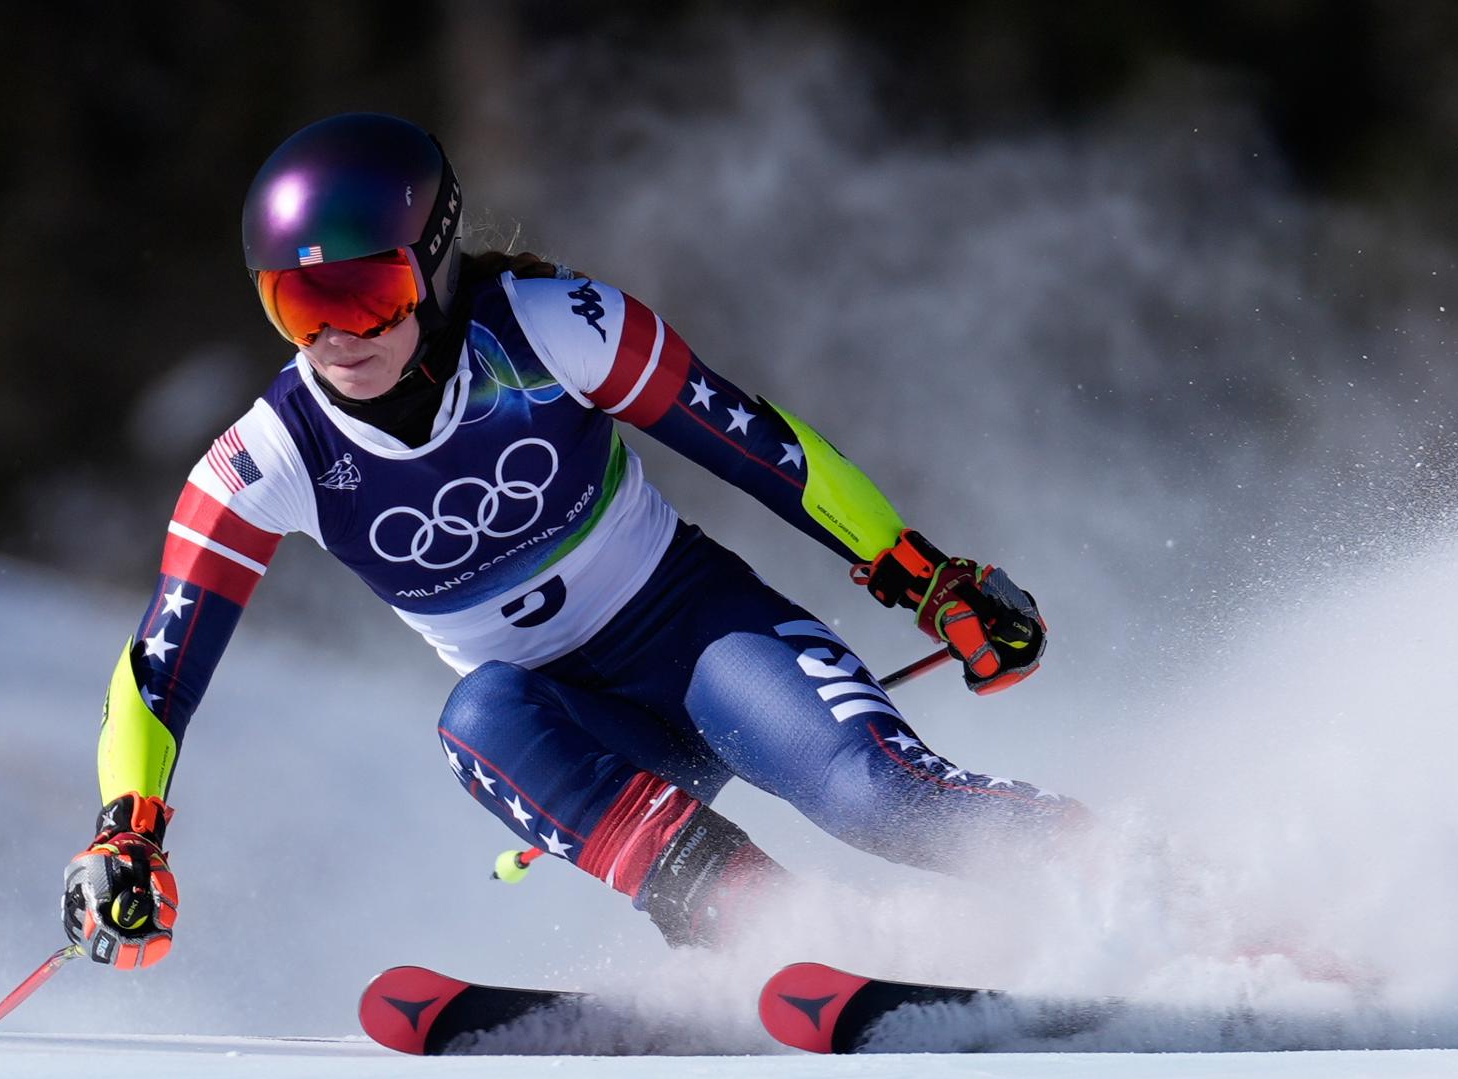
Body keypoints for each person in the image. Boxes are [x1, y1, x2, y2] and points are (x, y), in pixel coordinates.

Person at [61, 112, 1083, 970]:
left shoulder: (557, 329)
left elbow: (762, 448)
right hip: (578, 738)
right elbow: (159, 666)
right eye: (298, 304)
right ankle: (778, 938)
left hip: (705, 641)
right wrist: (126, 831)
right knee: (475, 719)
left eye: (367, 297)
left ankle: (1116, 869)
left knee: (876, 798)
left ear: (433, 269)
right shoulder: (267, 458)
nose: (336, 338)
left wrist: (924, 576)